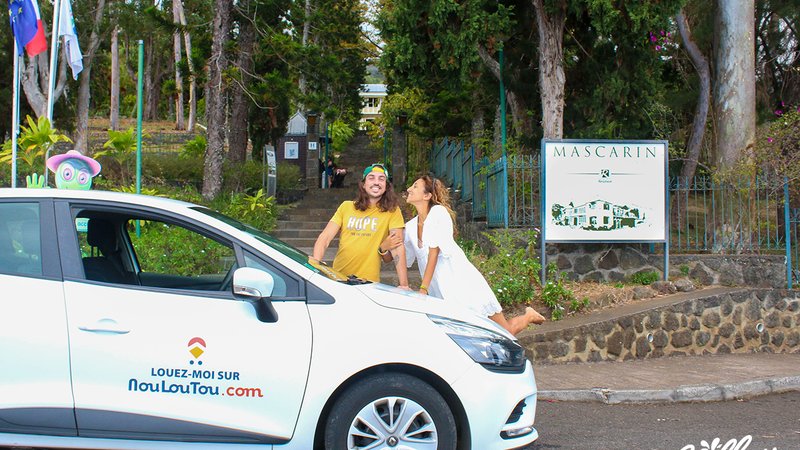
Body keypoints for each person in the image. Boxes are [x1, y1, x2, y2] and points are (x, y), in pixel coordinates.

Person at [385, 174, 545, 335]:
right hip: (439, 290)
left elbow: (433, 253)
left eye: (415, 186)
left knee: (504, 331)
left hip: (462, 283)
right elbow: (395, 254)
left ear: (427, 195)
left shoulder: (438, 214)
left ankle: (528, 316)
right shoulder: (411, 227)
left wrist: (423, 290)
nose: (408, 189)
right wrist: (383, 248)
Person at [313, 163, 409, 287]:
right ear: (363, 184)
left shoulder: (392, 211)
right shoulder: (346, 207)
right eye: (371, 177)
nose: (376, 182)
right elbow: (325, 238)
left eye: (381, 179)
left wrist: (404, 284)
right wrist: (316, 264)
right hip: (339, 280)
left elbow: (396, 249)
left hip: (369, 284)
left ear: (386, 186)